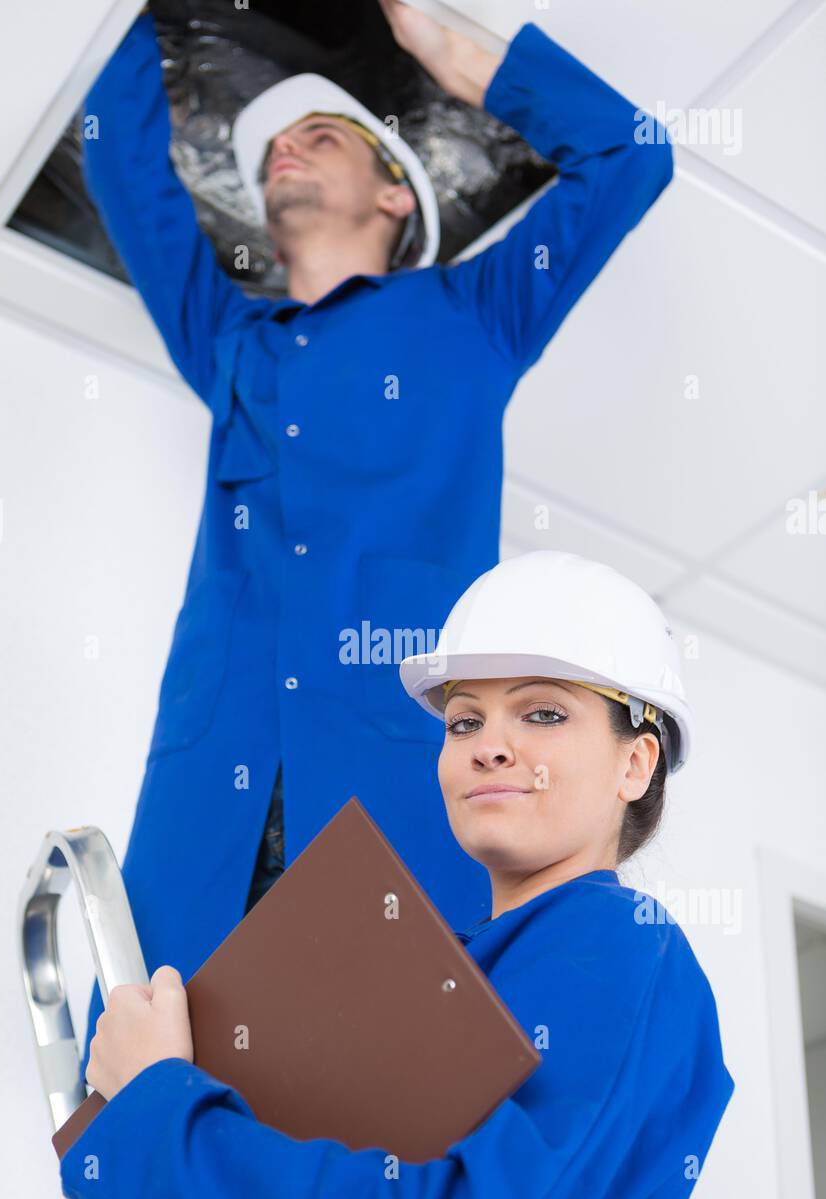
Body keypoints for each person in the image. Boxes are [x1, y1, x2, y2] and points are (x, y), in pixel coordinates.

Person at [77, 0, 674, 1076]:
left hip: (382, 796)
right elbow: (126, 164)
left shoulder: (473, 315)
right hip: (216, 789)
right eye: (268, 152)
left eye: (321, 135)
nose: (283, 150)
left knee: (376, 1112)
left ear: (395, 191)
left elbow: (630, 155)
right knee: (149, 1113)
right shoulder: (232, 345)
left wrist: (451, 51)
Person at [60, 550, 734, 1199]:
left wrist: (157, 1107)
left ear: (635, 764)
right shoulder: (441, 963)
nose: (489, 744)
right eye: (464, 720)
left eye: (543, 712)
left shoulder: (621, 942)